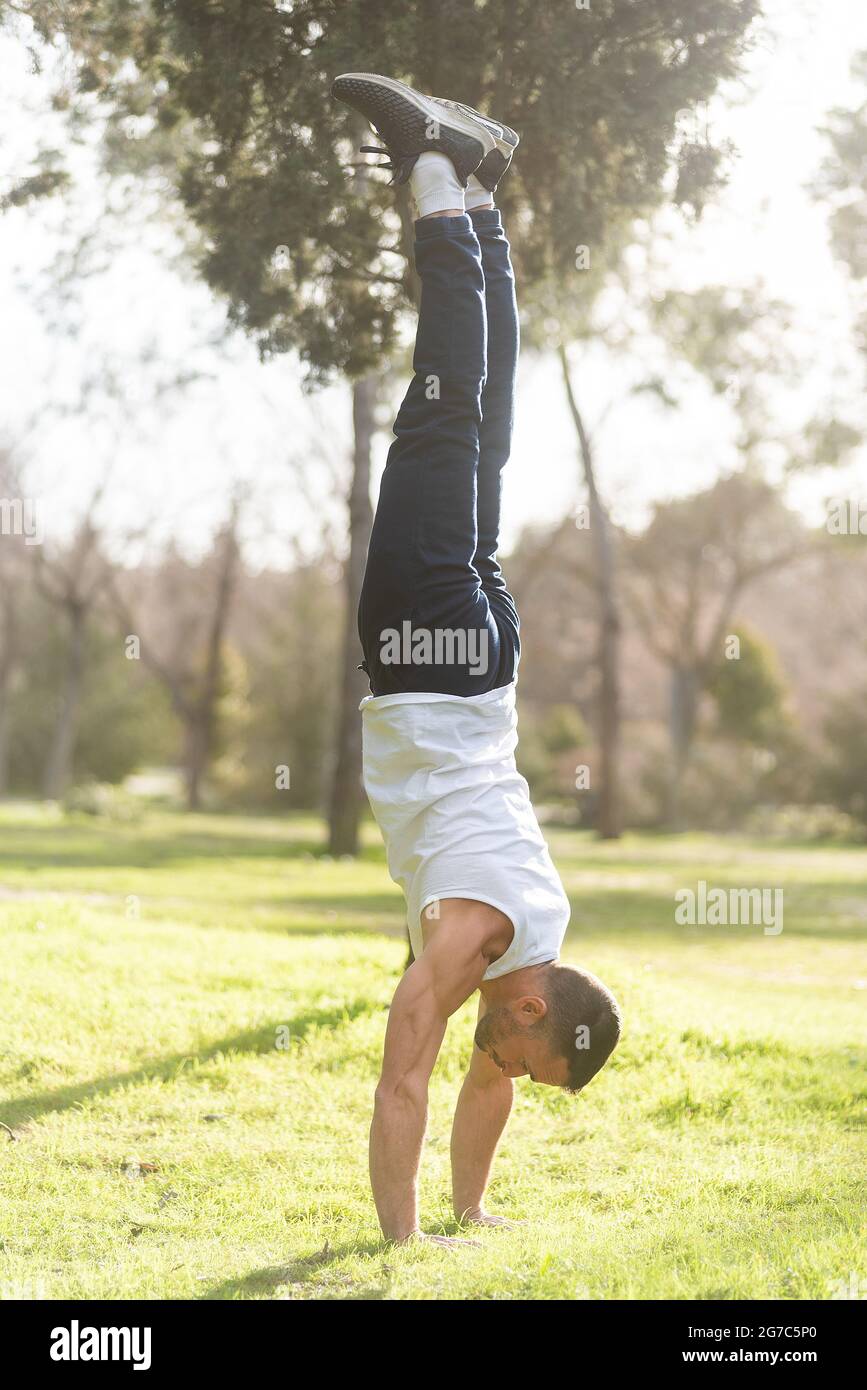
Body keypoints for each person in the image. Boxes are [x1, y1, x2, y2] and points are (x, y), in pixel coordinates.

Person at [332, 74, 622, 1246]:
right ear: (536, 1008)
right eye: (525, 1055)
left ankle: (485, 198)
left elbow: (486, 1080)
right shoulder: (474, 945)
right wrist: (399, 1246)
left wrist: (469, 1208)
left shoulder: (539, 937)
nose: (503, 1066)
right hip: (430, 657)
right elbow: (404, 1078)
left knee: (480, 447)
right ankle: (436, 175)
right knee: (443, 417)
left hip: (486, 670)